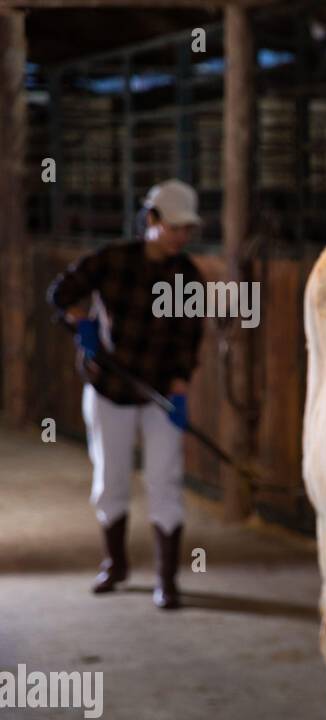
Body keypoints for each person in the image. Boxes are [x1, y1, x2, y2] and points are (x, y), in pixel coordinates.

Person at [47, 179, 206, 610]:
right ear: (151, 221)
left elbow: (186, 340)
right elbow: (60, 294)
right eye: (174, 228)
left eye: (186, 230)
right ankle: (115, 564)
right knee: (111, 477)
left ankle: (167, 581)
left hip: (157, 393)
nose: (181, 237)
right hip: (108, 388)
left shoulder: (187, 276)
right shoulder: (111, 261)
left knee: (165, 481)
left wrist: (179, 386)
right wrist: (80, 326)